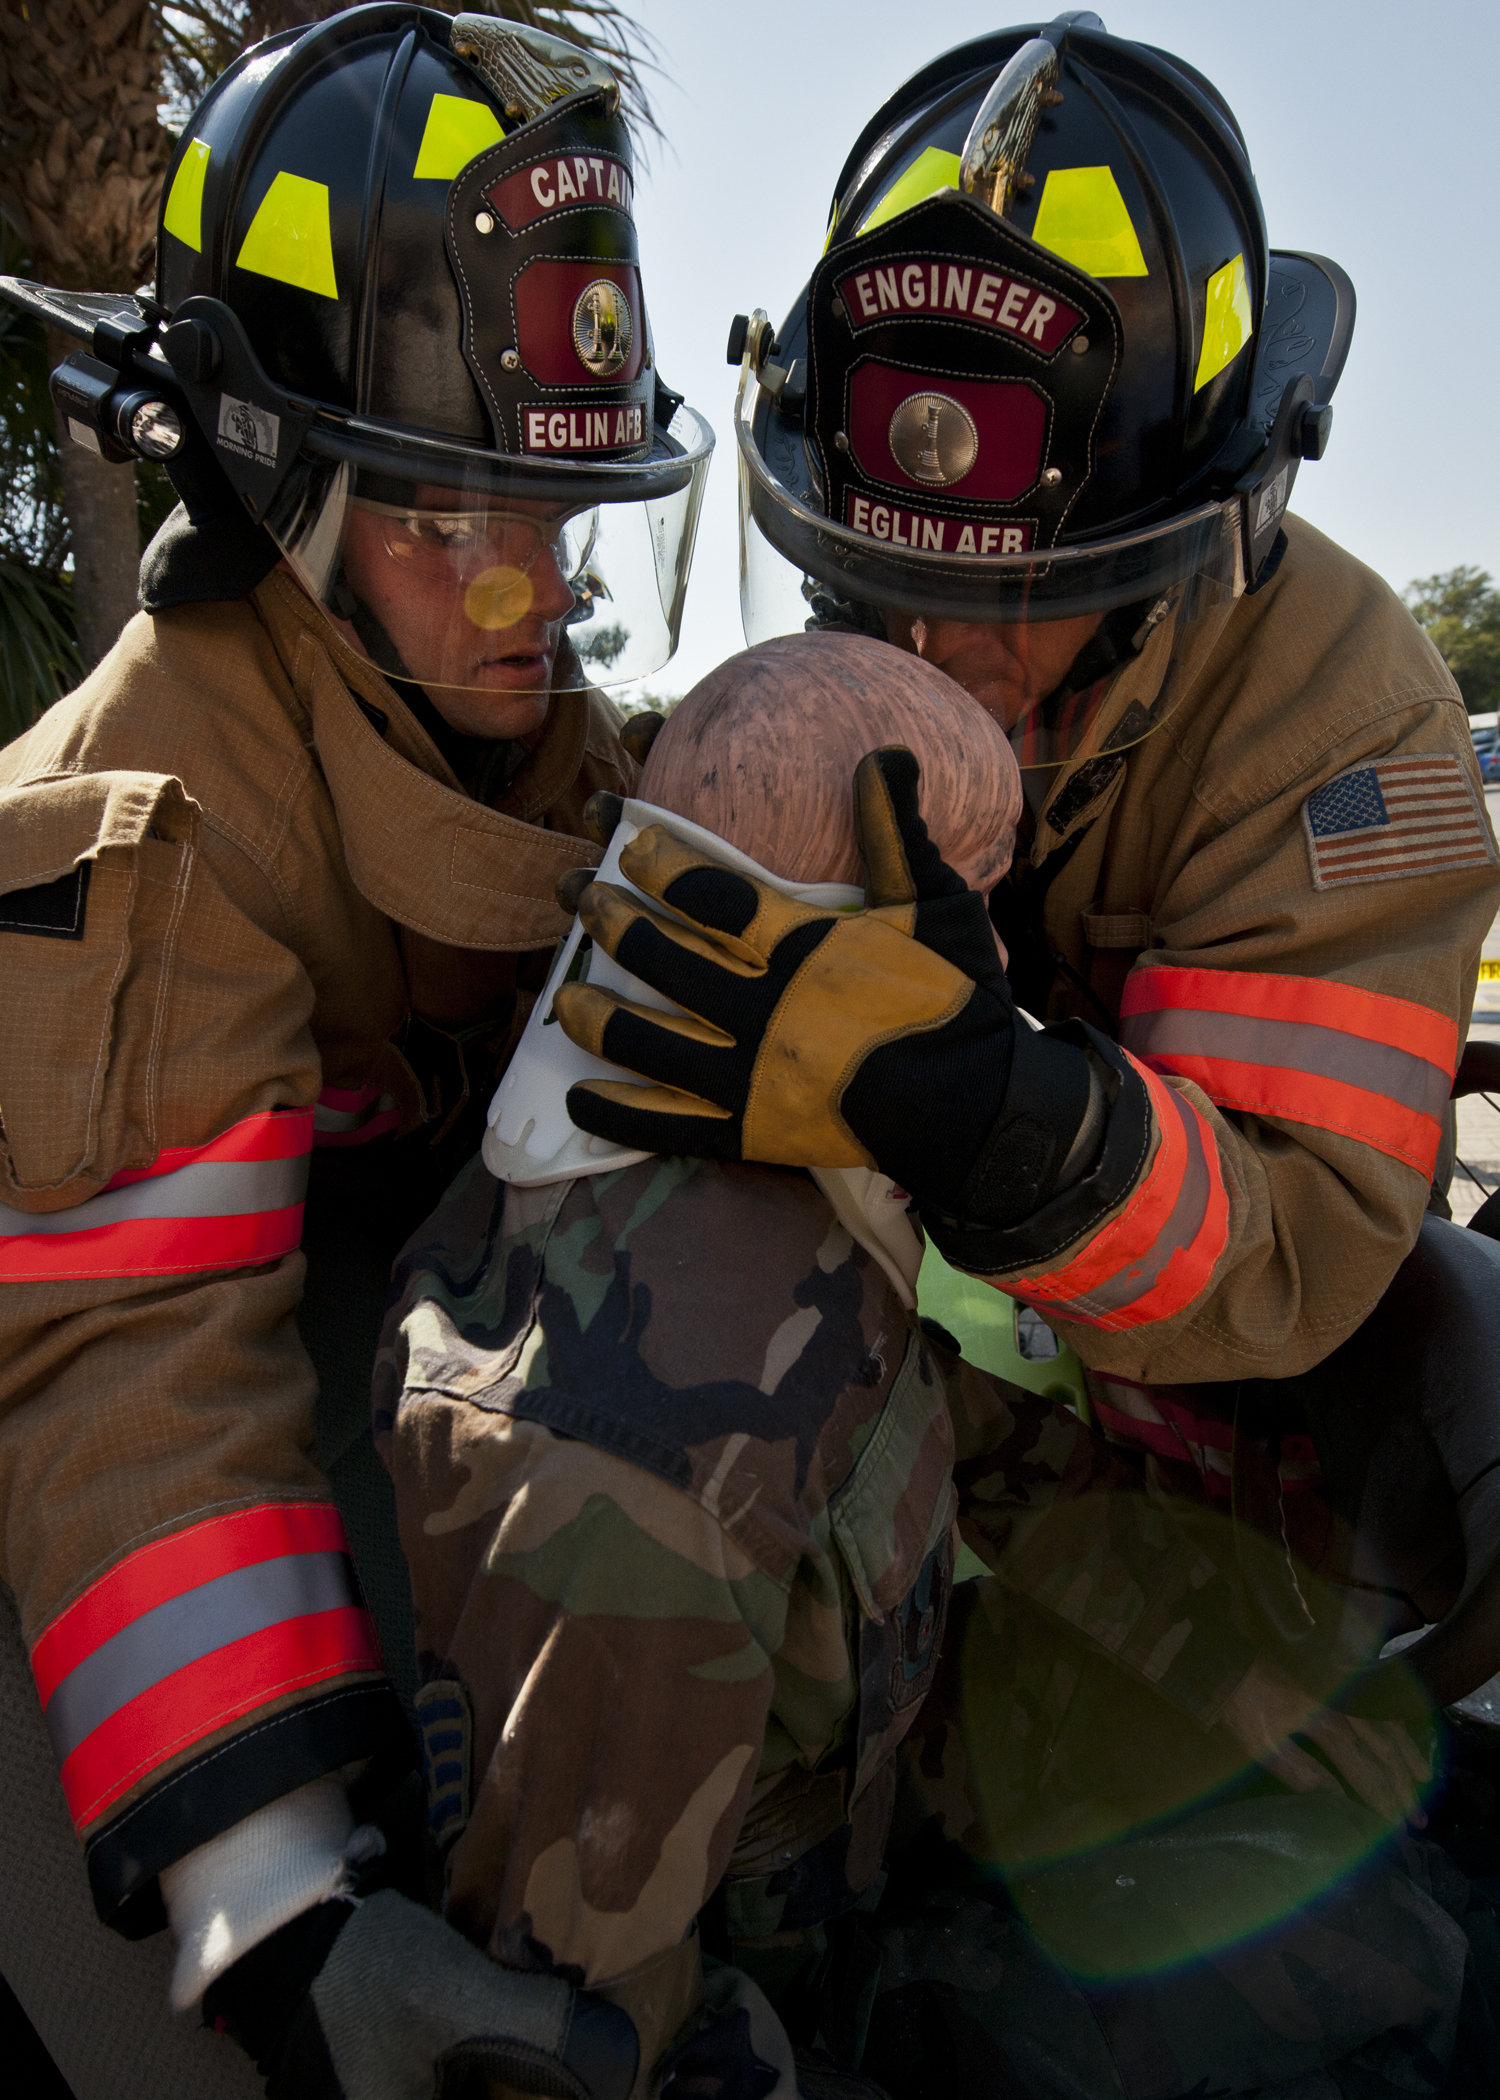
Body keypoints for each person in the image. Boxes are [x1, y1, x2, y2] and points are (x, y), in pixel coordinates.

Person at [379, 632, 1463, 2100]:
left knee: (1388, 1941)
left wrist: (1225, 1664)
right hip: (807, 1987)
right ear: (824, 917)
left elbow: (931, 1437)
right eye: (966, 890)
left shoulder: (758, 1225)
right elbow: (580, 2044)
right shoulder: (630, 1457)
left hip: (877, 1799)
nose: (996, 963)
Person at [0, 9, 710, 2094]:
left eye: (558, 517)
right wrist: (275, 1908)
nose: (529, 592)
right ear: (277, 489)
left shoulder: (513, 726)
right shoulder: (136, 808)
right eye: (438, 515)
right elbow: (125, 1346)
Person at [553, 15, 1500, 1444]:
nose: (936, 650)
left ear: (1182, 547)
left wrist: (1000, 1115)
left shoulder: (1344, 730)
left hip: (1248, 1428)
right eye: (880, 582)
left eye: (1023, 597)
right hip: (953, 1347)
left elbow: (1297, 1248)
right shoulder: (885, 641)